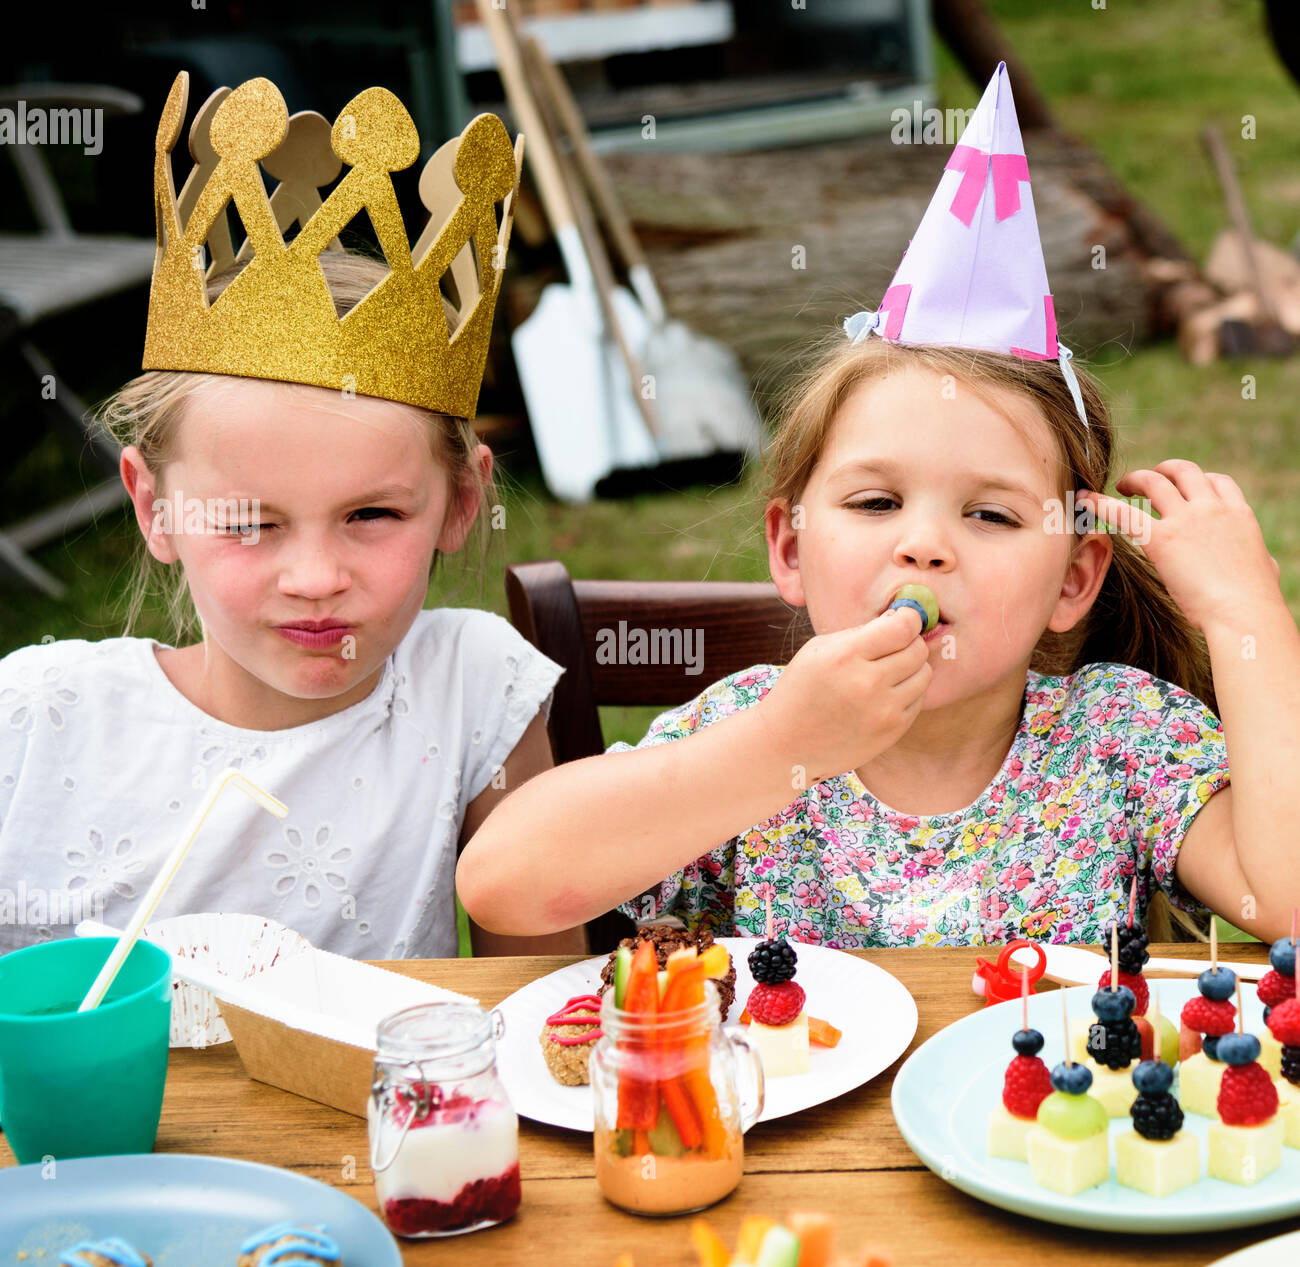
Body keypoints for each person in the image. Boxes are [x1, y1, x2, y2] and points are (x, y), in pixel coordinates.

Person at [458, 64, 1299, 950]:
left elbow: (1285, 908)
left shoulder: (1119, 742)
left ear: (1074, 578)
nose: (926, 546)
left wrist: (1249, 615)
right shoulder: (741, 729)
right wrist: (780, 746)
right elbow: (503, 885)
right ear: (789, 547)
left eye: (992, 515)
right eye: (875, 500)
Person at [0, 72, 579, 960]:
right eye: (247, 521)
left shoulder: (469, 692)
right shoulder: (34, 721)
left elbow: (543, 1011)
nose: (316, 579)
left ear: (461, 503)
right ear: (154, 508)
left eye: (373, 514)